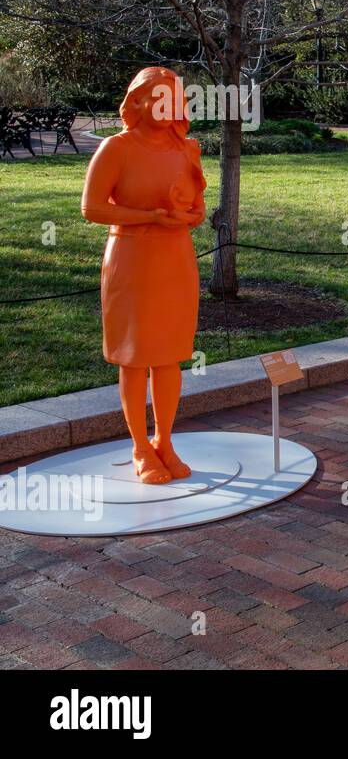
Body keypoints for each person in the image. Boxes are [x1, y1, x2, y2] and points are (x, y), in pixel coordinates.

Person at [81, 67, 207, 484]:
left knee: (168, 355)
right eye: (155, 98)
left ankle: (164, 441)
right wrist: (147, 217)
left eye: (171, 99)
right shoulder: (116, 149)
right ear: (135, 102)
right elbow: (93, 208)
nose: (164, 107)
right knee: (134, 358)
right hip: (132, 260)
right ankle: (139, 448)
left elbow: (197, 208)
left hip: (175, 258)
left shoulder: (186, 149)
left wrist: (187, 216)